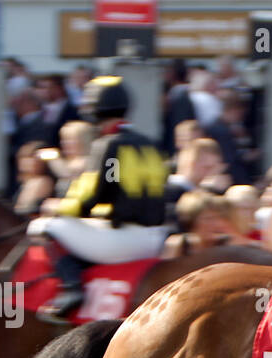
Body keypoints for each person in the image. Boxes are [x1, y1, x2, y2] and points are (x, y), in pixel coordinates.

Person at [28, 76, 168, 322]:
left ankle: (71, 290)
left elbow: (93, 197)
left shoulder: (107, 144)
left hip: (123, 240)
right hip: (156, 237)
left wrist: (56, 207)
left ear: (93, 109)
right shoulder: (150, 143)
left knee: (43, 226)